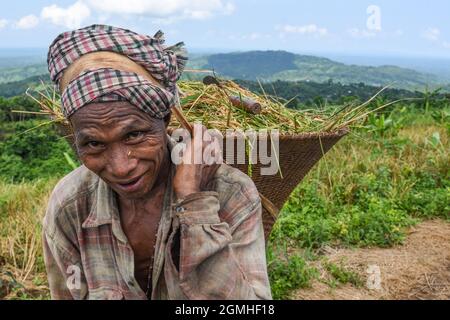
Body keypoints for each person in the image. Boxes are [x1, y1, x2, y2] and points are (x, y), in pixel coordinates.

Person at [42, 24, 271, 300]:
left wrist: (193, 203)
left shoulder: (230, 193)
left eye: (135, 135)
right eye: (94, 143)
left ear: (165, 120)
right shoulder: (70, 207)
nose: (120, 167)